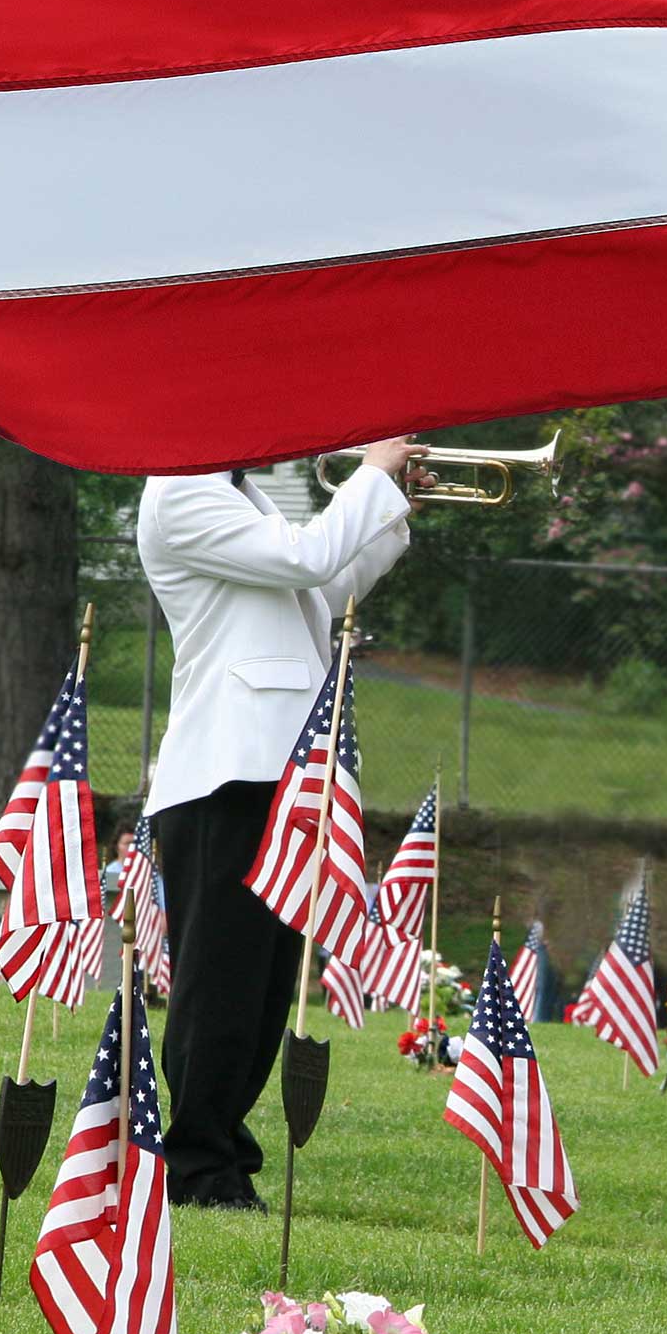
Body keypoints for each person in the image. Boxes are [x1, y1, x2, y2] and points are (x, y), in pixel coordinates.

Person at [137, 439, 420, 1210]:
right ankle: (198, 1166)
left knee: (263, 988)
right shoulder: (181, 489)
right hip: (226, 766)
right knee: (220, 981)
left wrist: (393, 514)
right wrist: (372, 474)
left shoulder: (239, 497)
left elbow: (323, 592)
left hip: (282, 763)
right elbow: (306, 557)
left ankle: (222, 1152)